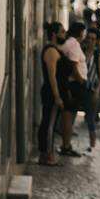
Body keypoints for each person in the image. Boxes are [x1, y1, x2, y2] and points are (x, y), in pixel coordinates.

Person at [38, 22, 69, 165]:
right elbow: (52, 76)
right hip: (51, 94)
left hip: (54, 93)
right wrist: (57, 96)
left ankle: (46, 154)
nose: (64, 34)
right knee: (49, 124)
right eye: (62, 32)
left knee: (50, 123)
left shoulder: (55, 49)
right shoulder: (51, 51)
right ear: (54, 34)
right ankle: (47, 155)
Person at [59, 21, 88, 156]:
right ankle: (66, 146)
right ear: (80, 32)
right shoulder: (74, 44)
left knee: (68, 115)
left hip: (70, 84)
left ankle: (67, 145)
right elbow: (73, 66)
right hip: (74, 84)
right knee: (69, 115)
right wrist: (81, 81)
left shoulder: (68, 43)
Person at [83, 27, 100, 152]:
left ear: (97, 41)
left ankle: (92, 145)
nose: (90, 41)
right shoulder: (81, 51)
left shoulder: (98, 55)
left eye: (93, 39)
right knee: (83, 116)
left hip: (93, 90)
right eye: (88, 38)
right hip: (81, 89)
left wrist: (97, 91)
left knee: (90, 118)